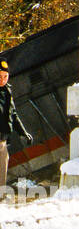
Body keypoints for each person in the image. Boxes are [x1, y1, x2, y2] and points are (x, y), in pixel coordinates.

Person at [0, 59, 32, 190]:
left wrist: (23, 133)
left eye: (5, 76)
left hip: (3, 140)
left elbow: (13, 114)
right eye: (0, 76)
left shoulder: (7, 91)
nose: (2, 79)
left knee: (2, 170)